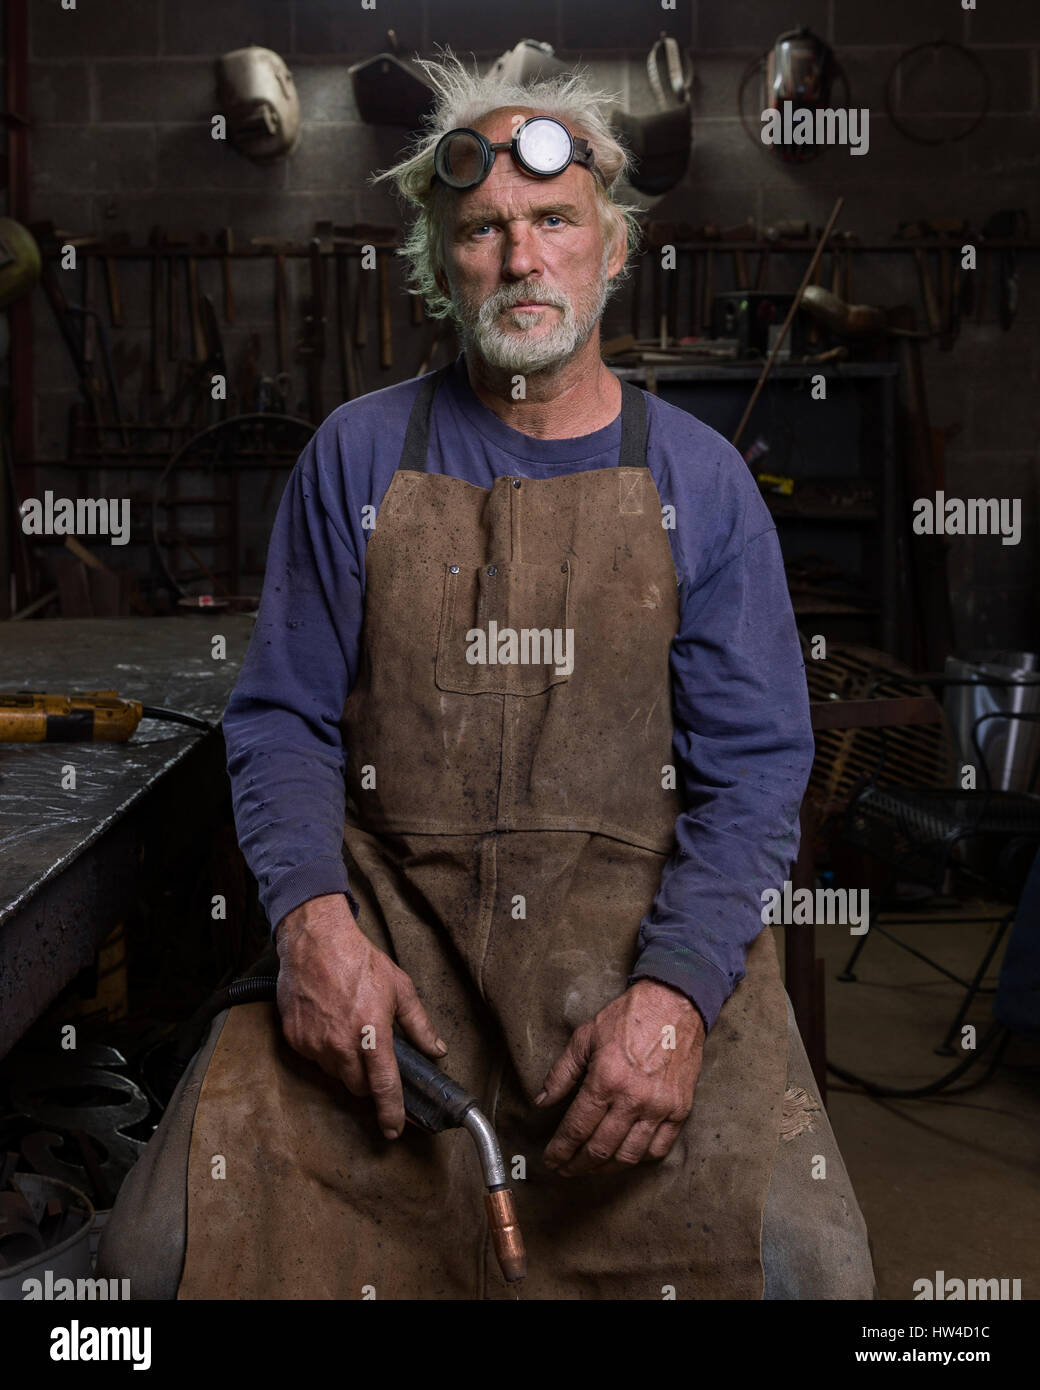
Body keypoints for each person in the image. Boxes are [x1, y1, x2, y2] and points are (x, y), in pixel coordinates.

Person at [100, 51, 876, 1300]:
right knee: (155, 1258)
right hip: (393, 963)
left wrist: (675, 995)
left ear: (610, 251)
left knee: (808, 1271)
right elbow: (282, 720)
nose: (520, 257)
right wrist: (311, 929)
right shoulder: (355, 455)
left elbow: (753, 773)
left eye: (553, 221)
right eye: (482, 230)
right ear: (438, 261)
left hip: (626, 957)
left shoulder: (701, 481)